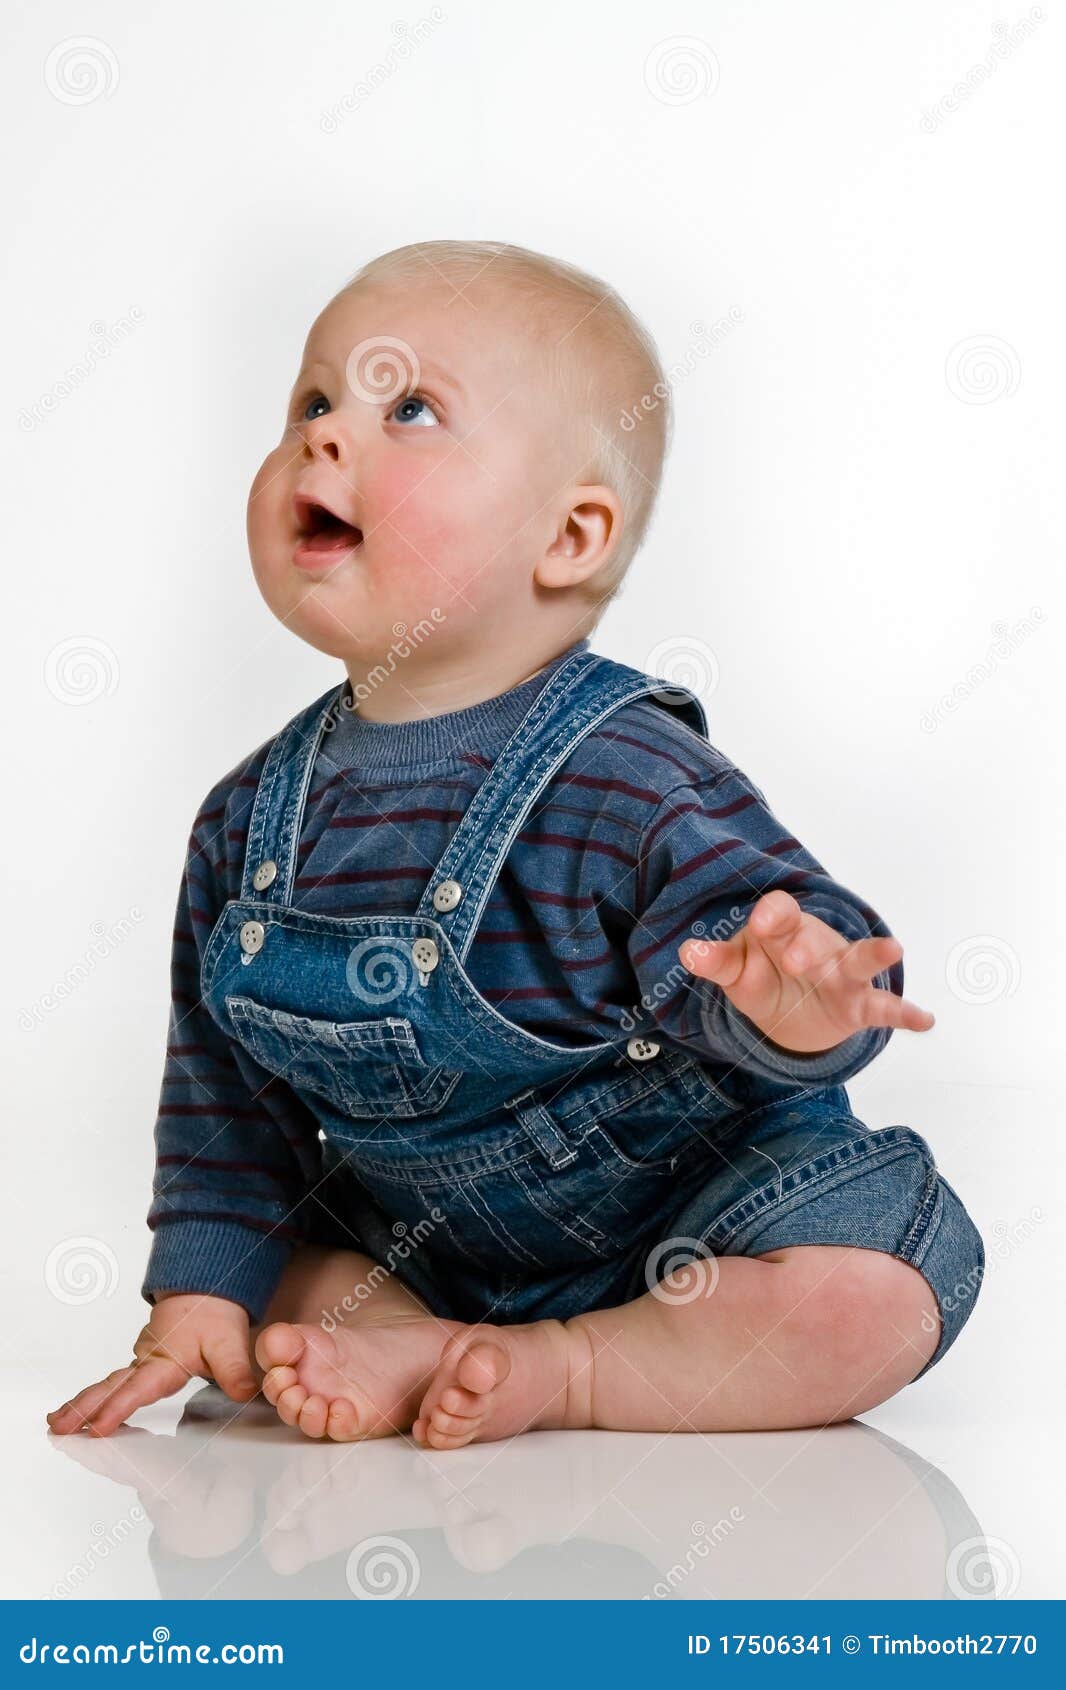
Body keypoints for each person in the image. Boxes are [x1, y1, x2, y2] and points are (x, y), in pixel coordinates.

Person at [47, 240, 984, 1449]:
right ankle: (420, 1340)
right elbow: (226, 1096)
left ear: (570, 538)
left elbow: (773, 933)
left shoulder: (627, 773)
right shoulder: (247, 818)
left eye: (411, 409)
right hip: (425, 1254)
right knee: (269, 1273)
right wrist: (197, 1293)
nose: (326, 436)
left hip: (695, 1230)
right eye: (314, 402)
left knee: (882, 1288)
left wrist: (796, 990)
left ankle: (578, 1368)